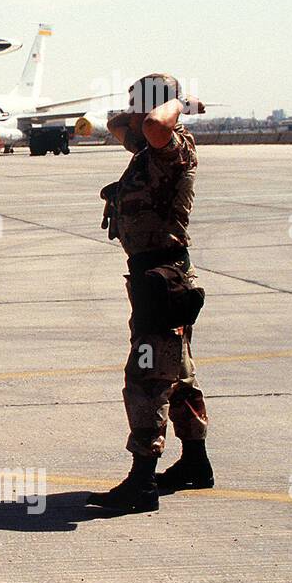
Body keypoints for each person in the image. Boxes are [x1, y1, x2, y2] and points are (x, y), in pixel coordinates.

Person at [87, 74, 212, 513]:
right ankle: (196, 464)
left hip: (163, 278)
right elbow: (118, 126)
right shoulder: (148, 149)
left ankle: (142, 482)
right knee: (179, 374)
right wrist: (140, 113)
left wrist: (177, 103)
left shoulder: (171, 144)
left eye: (138, 103)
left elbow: (157, 126)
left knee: (146, 378)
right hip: (154, 276)